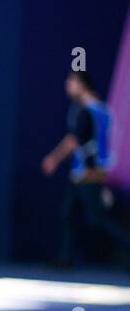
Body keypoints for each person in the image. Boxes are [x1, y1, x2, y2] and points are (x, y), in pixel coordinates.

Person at [42, 70, 129, 267]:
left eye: (71, 82)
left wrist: (54, 158)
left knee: (96, 219)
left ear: (82, 85)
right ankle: (66, 257)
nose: (68, 86)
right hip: (84, 170)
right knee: (68, 212)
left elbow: (74, 140)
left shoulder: (88, 111)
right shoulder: (102, 109)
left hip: (89, 172)